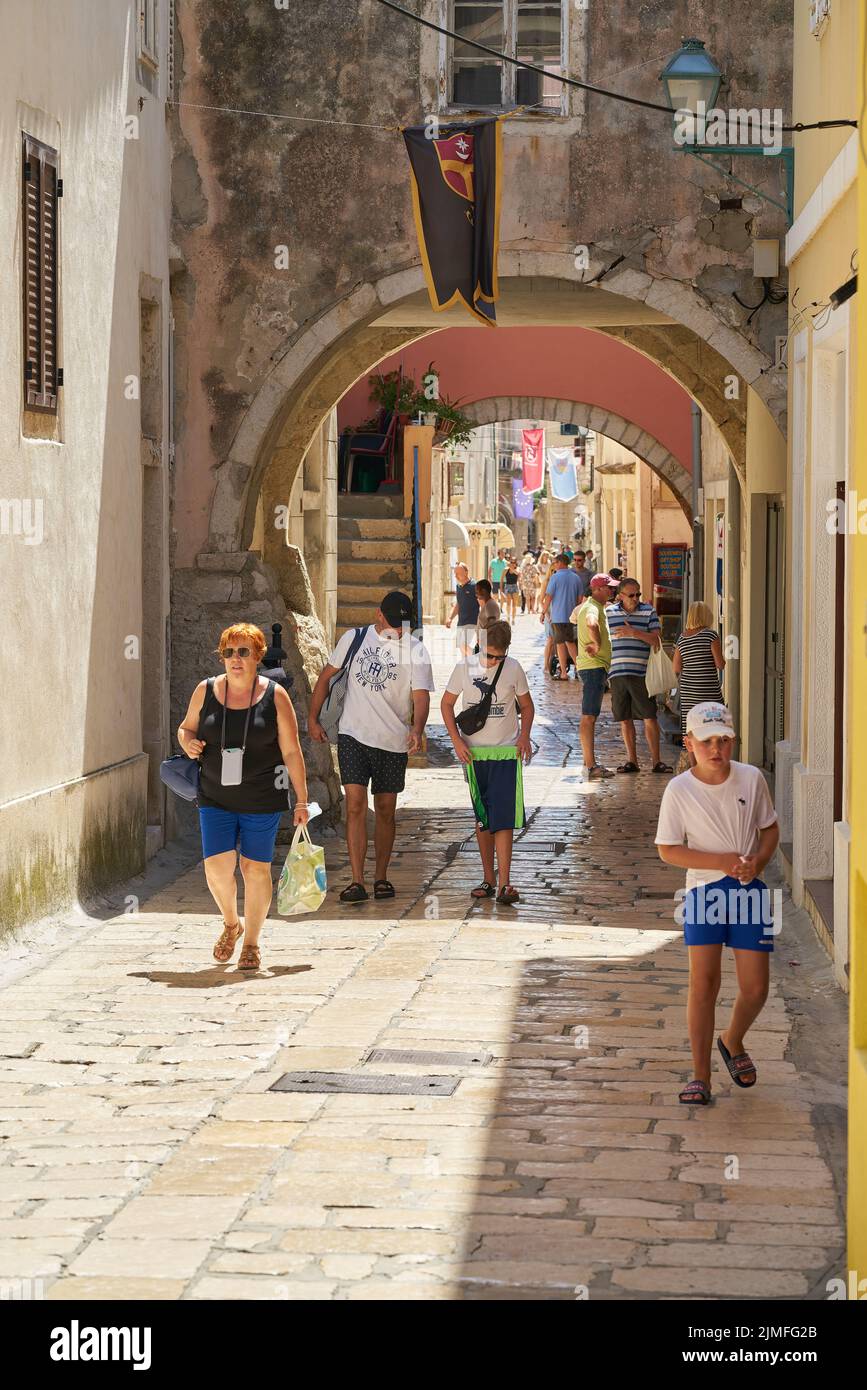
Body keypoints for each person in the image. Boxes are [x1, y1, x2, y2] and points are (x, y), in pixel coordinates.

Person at [655, 701, 780, 1106]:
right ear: (689, 743)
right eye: (707, 741)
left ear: (733, 741)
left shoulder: (751, 778)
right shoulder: (680, 790)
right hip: (703, 894)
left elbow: (770, 828)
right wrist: (721, 862)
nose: (716, 749)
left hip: (749, 892)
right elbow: (669, 850)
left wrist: (757, 862)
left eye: (724, 740)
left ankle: (733, 1039)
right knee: (704, 983)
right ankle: (700, 1075)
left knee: (757, 988)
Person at [177, 622, 309, 972]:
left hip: (262, 797)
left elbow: (292, 752)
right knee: (216, 868)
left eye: (243, 652)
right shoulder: (204, 691)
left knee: (255, 869)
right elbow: (186, 728)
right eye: (228, 652)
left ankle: (251, 941)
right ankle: (230, 923)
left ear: (258, 656)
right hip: (215, 795)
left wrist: (301, 800)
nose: (235, 659)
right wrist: (187, 743)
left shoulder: (274, 695)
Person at [308, 591, 433, 903]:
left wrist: (417, 728)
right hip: (353, 735)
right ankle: (357, 880)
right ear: (379, 615)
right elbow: (326, 678)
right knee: (355, 805)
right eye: (393, 623)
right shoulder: (354, 638)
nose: (398, 630)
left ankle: (381, 877)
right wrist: (312, 718)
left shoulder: (416, 650)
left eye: (403, 625)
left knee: (387, 811)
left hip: (393, 740)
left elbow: (421, 695)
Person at [441, 620, 534, 906]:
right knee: (483, 817)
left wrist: (524, 737)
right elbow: (446, 704)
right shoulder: (464, 668)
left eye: (498, 657)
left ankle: (505, 882)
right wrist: (456, 741)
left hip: (505, 753)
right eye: (488, 655)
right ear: (480, 645)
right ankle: (488, 879)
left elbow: (527, 706)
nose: (492, 662)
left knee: (503, 818)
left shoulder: (514, 668)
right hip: (474, 755)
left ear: (506, 653)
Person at [607, 579, 672, 774]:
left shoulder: (648, 611)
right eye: (631, 595)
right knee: (624, 718)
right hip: (617, 672)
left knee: (649, 716)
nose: (635, 598)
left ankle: (656, 761)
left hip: (642, 673)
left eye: (638, 594)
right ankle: (631, 761)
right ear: (620, 595)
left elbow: (657, 640)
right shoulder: (609, 613)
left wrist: (633, 632)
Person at [575, 573, 619, 778]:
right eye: (609, 587)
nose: (612, 591)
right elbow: (592, 623)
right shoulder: (592, 608)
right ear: (598, 589)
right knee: (589, 717)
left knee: (590, 716)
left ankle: (589, 762)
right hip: (593, 667)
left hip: (594, 666)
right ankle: (591, 766)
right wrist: (598, 644)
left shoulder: (595, 606)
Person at [673, 601, 725, 766]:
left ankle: (694, 765)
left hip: (688, 689)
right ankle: (711, 762)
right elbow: (720, 664)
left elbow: (676, 666)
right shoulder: (710, 635)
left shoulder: (682, 638)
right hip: (707, 688)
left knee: (691, 727)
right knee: (713, 725)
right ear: (706, 616)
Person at [539, 553, 582, 682]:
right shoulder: (576, 578)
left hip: (558, 616)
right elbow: (580, 599)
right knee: (567, 643)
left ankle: (572, 671)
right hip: (572, 616)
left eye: (555, 562)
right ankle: (569, 671)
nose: (555, 565)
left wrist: (543, 612)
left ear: (560, 563)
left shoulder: (555, 577)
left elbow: (548, 597)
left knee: (564, 644)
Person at [444, 562, 479, 660]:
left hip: (472, 621)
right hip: (461, 622)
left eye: (458, 573)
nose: (456, 576)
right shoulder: (459, 587)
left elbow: (483, 604)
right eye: (455, 573)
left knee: (462, 644)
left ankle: (476, 657)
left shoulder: (474, 586)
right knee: (462, 649)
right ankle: (467, 668)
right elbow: (458, 604)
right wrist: (450, 618)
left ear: (466, 572)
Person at [475, 578, 500, 654]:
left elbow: (492, 624)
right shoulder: (487, 604)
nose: (476, 593)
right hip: (484, 644)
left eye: (477, 590)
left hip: (487, 645)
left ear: (483, 591)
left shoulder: (490, 605)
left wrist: (482, 638)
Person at [502, 554, 521, 622]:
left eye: (514, 562)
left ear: (516, 563)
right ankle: (508, 616)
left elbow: (518, 574)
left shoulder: (518, 569)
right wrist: (501, 589)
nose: (512, 564)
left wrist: (511, 568)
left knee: (514, 604)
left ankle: (513, 618)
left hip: (515, 587)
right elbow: (501, 579)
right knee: (508, 603)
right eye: (511, 562)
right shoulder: (505, 570)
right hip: (507, 586)